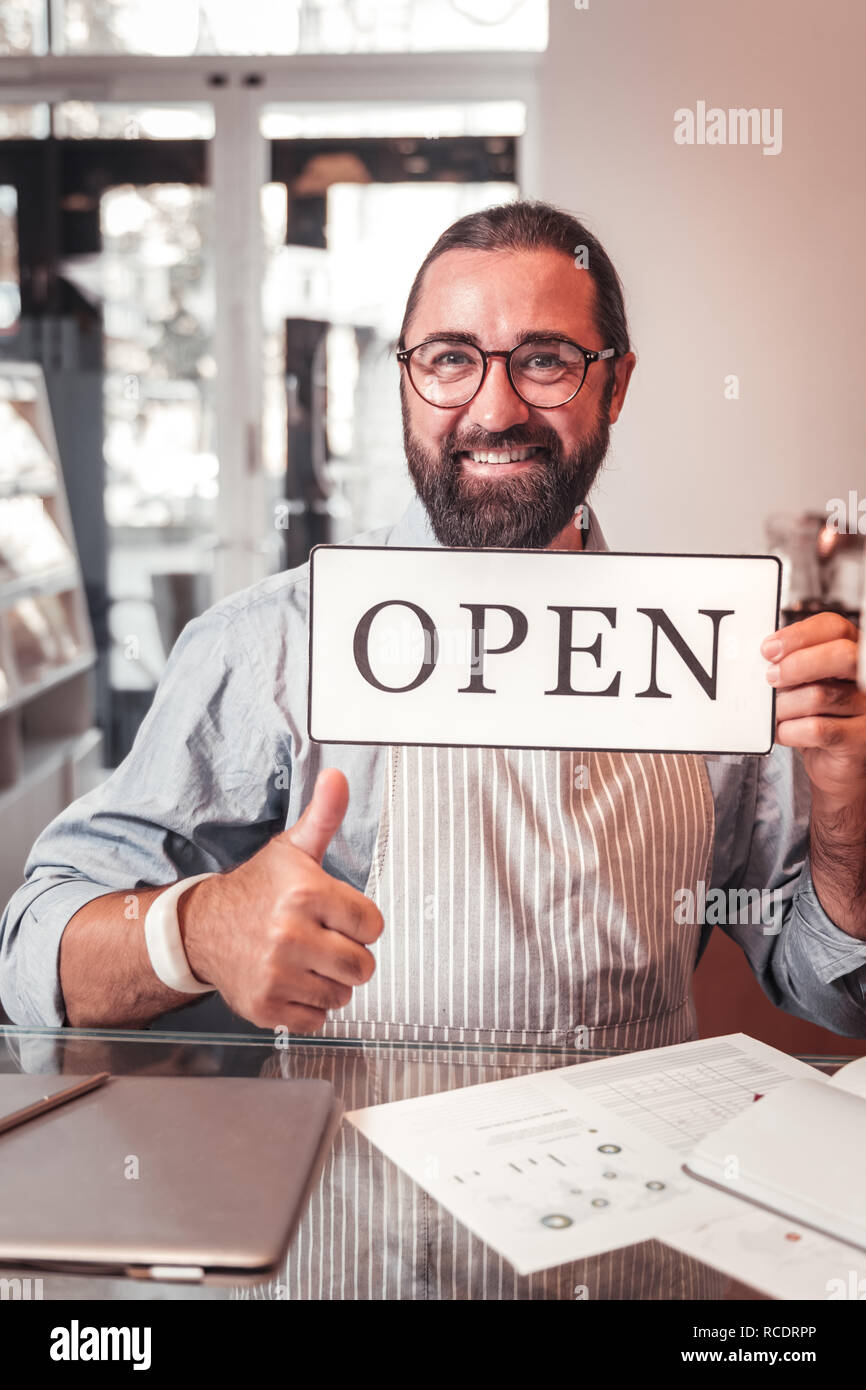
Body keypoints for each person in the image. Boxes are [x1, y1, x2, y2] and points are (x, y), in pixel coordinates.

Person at [2, 200, 865, 1300]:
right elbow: (31, 954)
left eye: (545, 359)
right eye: (450, 359)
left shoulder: (709, 656)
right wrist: (195, 929)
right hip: (354, 1262)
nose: (491, 406)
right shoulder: (271, 643)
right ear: (406, 377)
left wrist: (845, 802)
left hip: (637, 1264)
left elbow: (827, 988)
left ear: (615, 382)